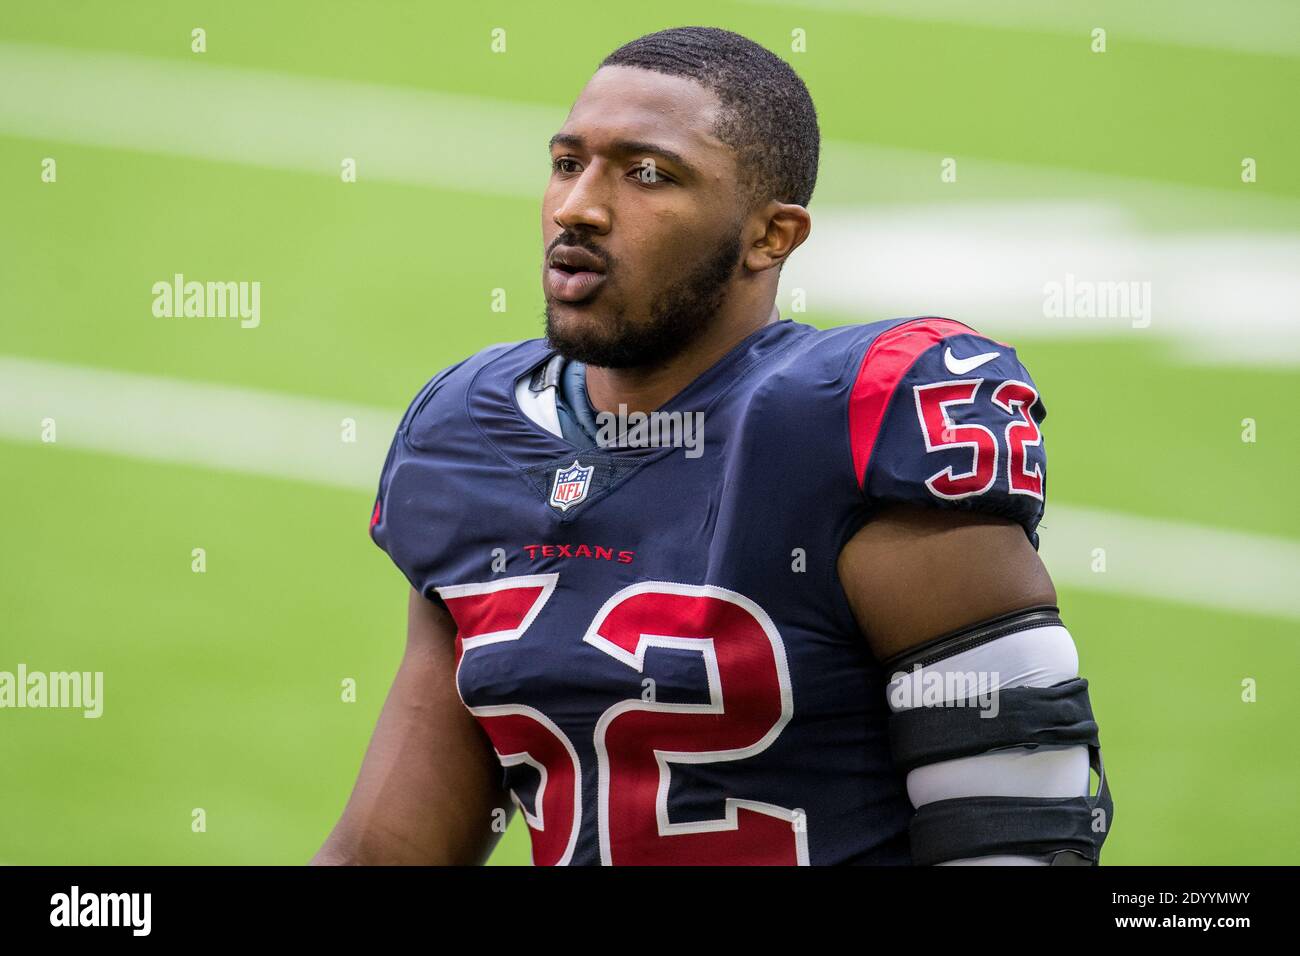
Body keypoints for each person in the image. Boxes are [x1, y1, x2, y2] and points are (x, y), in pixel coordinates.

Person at [312, 26, 1111, 866]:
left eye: (648, 173)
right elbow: (389, 852)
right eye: (565, 163)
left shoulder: (856, 421)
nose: (579, 206)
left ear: (771, 236)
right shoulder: (468, 436)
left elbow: (1019, 837)